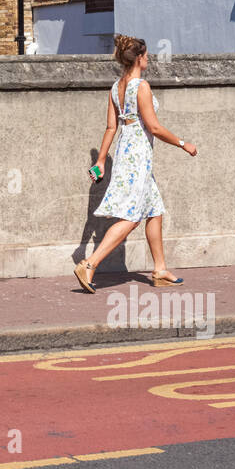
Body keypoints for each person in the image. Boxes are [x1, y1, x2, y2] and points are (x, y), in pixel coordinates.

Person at [76, 34, 197, 293]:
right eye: (147, 55)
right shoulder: (140, 86)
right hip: (138, 155)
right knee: (132, 216)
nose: (149, 58)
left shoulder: (115, 87)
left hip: (124, 151)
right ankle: (90, 264)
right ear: (139, 58)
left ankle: (160, 269)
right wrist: (183, 143)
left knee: (154, 209)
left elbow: (111, 127)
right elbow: (153, 126)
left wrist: (100, 161)